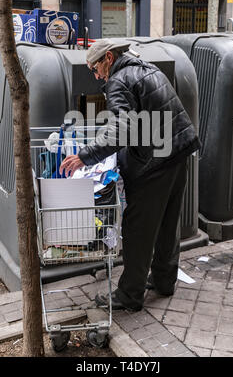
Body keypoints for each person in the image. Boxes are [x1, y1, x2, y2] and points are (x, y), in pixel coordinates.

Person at [60, 38, 200, 312]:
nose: (95, 73)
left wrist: (84, 156)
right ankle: (163, 281)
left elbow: (121, 128)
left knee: (137, 229)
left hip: (155, 163)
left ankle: (130, 295)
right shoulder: (146, 68)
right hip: (177, 152)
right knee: (167, 223)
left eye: (95, 67)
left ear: (109, 58)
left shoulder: (119, 81)